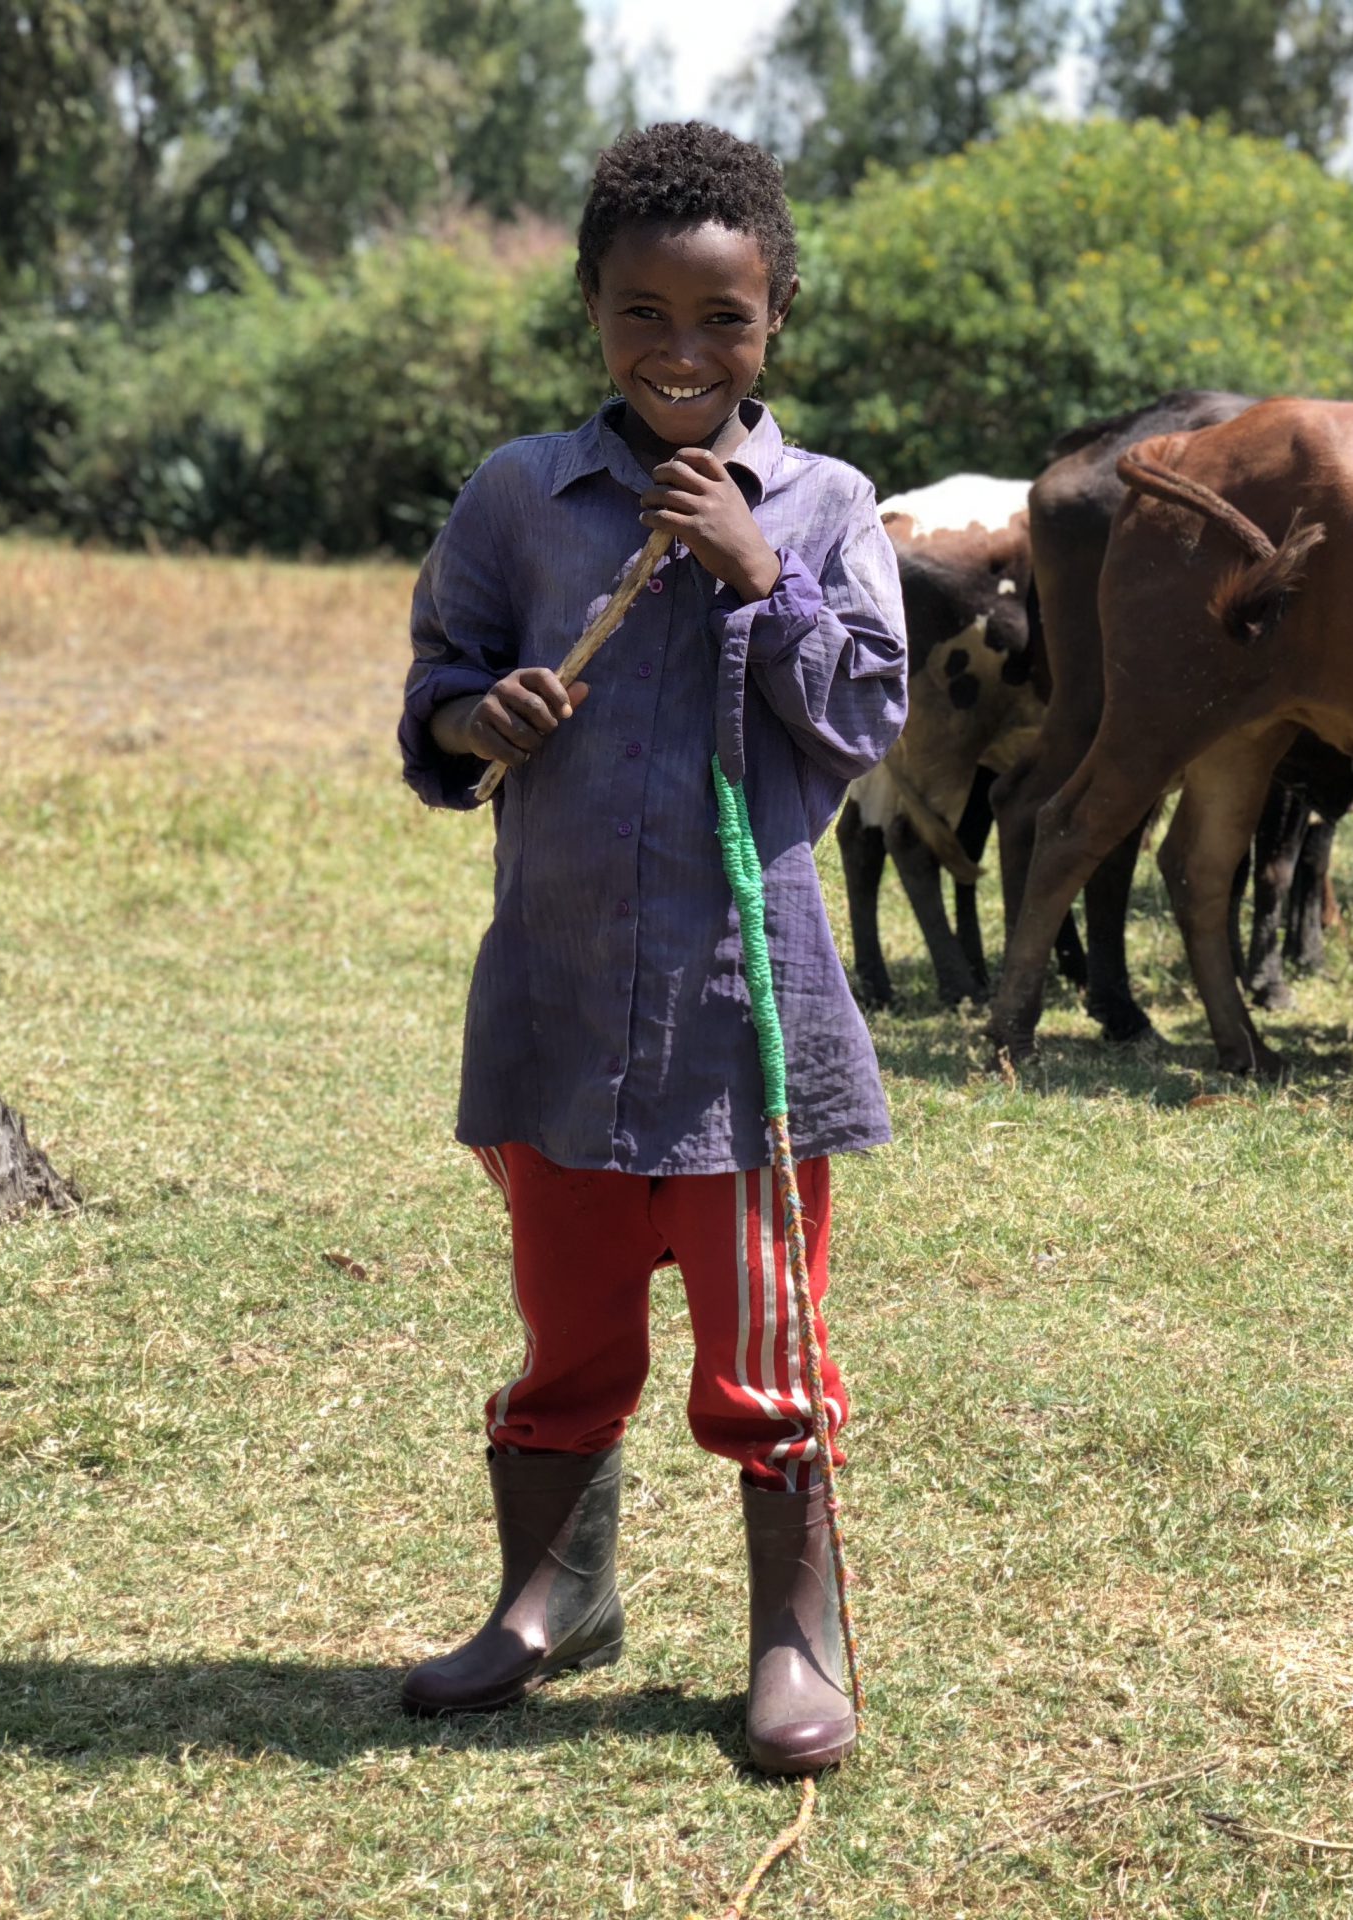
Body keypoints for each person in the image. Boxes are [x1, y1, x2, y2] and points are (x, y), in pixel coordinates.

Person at [394, 122, 906, 1774]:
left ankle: (794, 1633)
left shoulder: (825, 504)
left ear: (777, 319)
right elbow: (436, 708)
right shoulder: (519, 497)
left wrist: (762, 580)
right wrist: (490, 710)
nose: (682, 355)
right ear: (591, 314)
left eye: (723, 321)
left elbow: (866, 720)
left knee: (766, 1347)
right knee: (571, 1329)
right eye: (643, 317)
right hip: (560, 1005)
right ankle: (552, 1597)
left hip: (743, 1030)